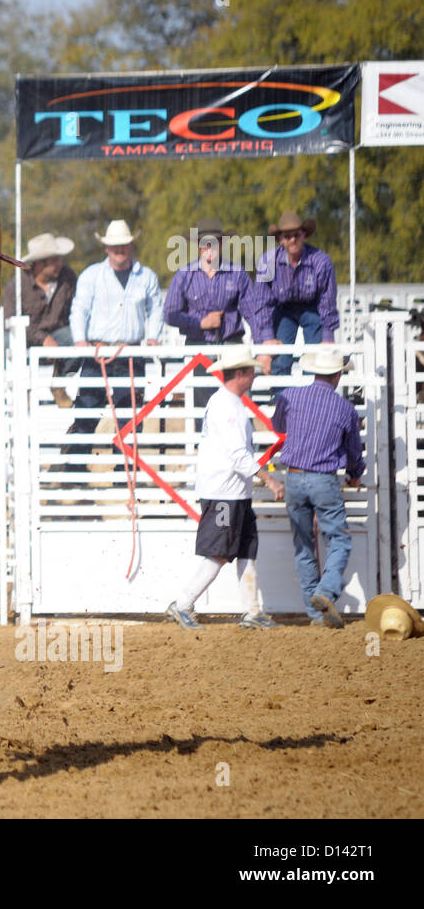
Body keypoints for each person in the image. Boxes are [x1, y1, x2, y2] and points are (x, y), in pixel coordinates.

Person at [164, 347, 285, 630]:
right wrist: (268, 479)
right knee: (219, 551)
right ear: (240, 373)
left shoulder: (226, 403)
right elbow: (237, 454)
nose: (254, 375)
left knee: (244, 549)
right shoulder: (227, 406)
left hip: (230, 492)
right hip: (224, 493)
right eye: (251, 371)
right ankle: (182, 604)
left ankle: (251, 611)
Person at [271, 348, 365, 629]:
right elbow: (353, 453)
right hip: (323, 479)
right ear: (337, 375)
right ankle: (325, 591)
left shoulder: (290, 396)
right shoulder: (345, 408)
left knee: (303, 545)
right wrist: (354, 475)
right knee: (338, 540)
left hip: (293, 477)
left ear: (314, 371)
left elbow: (279, 425)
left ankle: (316, 615)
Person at [64, 220, 164, 456]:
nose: (120, 250)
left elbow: (156, 308)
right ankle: (75, 469)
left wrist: (152, 337)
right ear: (107, 248)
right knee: (86, 412)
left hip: (130, 354)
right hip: (96, 354)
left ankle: (123, 472)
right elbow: (79, 309)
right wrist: (80, 340)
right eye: (115, 246)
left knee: (128, 418)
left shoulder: (146, 276)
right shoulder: (92, 276)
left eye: (124, 245)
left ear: (130, 246)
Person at [164, 218, 267, 413]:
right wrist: (200, 323)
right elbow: (170, 314)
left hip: (232, 344)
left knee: (240, 403)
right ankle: (202, 444)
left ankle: (242, 442)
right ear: (199, 246)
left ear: (222, 244)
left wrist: (262, 347)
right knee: (203, 405)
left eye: (214, 242)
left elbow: (253, 312)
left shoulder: (237, 274)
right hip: (199, 346)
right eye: (204, 243)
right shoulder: (184, 275)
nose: (209, 247)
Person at [251, 210, 339, 376]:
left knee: (317, 357)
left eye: (296, 235)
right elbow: (262, 302)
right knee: (280, 359)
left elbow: (327, 300)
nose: (292, 240)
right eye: (287, 236)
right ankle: (279, 399)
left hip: (312, 307)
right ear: (280, 239)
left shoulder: (321, 262)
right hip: (283, 308)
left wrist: (328, 336)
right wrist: (267, 336)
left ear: (304, 235)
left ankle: (312, 397)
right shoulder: (268, 261)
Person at [3, 232, 78, 408]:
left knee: (77, 338)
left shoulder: (68, 277)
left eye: (59, 260)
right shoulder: (17, 284)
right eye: (54, 261)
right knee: (12, 342)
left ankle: (59, 383)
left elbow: (77, 308)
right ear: (39, 264)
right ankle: (24, 390)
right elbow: (10, 320)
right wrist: (43, 339)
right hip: (27, 337)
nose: (59, 264)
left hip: (59, 333)